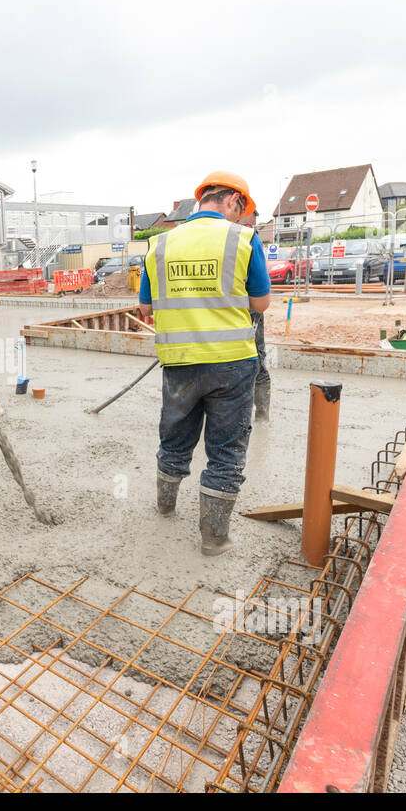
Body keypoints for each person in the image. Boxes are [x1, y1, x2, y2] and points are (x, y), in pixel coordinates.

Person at [138, 171, 271, 554]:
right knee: (226, 451)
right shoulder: (243, 238)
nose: (240, 218)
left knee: (175, 438)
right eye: (240, 210)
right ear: (232, 201)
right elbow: (261, 303)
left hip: (179, 362)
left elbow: (146, 307)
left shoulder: (160, 243)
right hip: (231, 364)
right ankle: (214, 539)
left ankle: (165, 508)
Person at [240, 206, 269, 420]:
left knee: (256, 360)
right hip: (241, 309)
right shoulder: (246, 237)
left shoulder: (250, 237)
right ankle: (256, 415)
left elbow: (260, 296)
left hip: (249, 310)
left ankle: (261, 413)